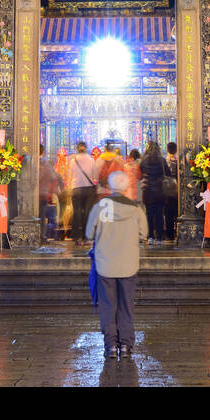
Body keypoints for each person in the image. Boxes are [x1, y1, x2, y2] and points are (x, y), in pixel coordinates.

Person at [86, 170, 147, 359]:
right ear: (127, 186)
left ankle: (111, 345)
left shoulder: (100, 207)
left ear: (110, 186)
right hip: (128, 264)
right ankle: (126, 346)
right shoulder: (136, 209)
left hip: (105, 264)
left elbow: (89, 233)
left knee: (107, 305)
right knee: (126, 305)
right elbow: (143, 234)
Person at [69, 142, 102, 244]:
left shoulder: (73, 161)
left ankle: (77, 238)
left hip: (76, 188)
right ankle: (86, 237)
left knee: (77, 212)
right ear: (86, 149)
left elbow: (70, 174)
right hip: (88, 189)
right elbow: (95, 176)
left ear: (77, 149)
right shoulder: (91, 160)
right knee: (87, 213)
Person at [139, 141, 168, 245]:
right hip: (160, 191)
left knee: (149, 215)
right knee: (159, 214)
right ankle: (159, 237)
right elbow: (168, 173)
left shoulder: (144, 160)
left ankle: (150, 236)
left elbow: (141, 174)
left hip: (148, 192)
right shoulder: (162, 160)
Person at [163, 142, 180, 240]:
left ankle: (170, 234)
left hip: (166, 190)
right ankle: (177, 231)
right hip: (177, 189)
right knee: (176, 212)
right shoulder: (179, 161)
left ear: (167, 150)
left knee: (168, 212)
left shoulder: (164, 161)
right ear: (176, 150)